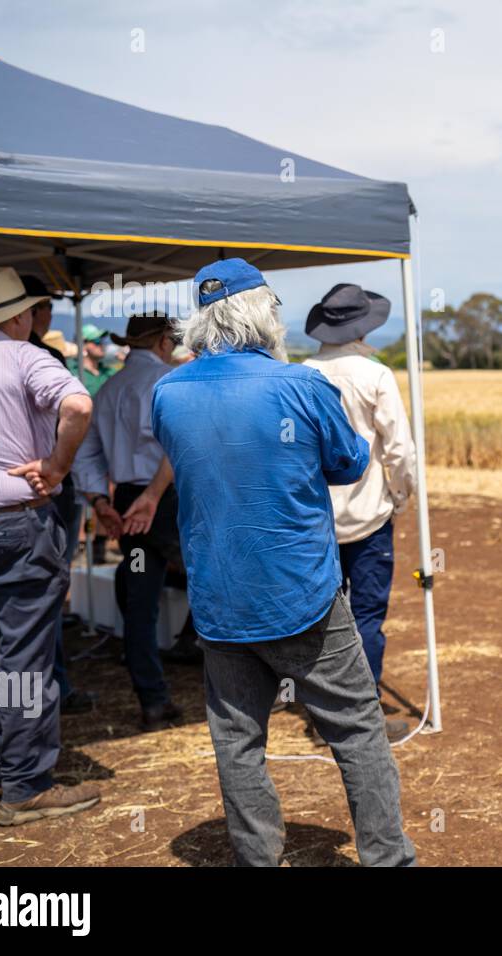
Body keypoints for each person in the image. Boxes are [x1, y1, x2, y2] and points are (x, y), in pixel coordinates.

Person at [151, 259, 415, 866]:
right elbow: (349, 464)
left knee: (238, 741)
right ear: (265, 315)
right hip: (303, 591)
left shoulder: (168, 391)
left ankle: (257, 859)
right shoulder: (298, 385)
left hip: (217, 596)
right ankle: (386, 857)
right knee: (356, 729)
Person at [0, 267, 102, 825]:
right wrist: (56, 467)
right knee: (25, 656)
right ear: (18, 315)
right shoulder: (24, 355)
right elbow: (79, 407)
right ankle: (26, 785)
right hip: (14, 521)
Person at [302, 284, 416, 743]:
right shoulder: (375, 375)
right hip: (370, 517)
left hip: (315, 519)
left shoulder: (301, 374)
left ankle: (324, 707)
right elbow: (400, 450)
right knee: (367, 614)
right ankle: (364, 711)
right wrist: (400, 497)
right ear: (363, 327)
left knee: (321, 615)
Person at [74, 312, 193, 731]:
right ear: (163, 341)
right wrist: (154, 495)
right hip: (167, 500)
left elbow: (85, 453)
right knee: (211, 578)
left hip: (126, 502)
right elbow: (182, 447)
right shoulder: (170, 384)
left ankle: (153, 699)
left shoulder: (107, 389)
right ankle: (222, 670)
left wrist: (97, 500)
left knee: (141, 592)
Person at [21, 274, 97, 716]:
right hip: (44, 488)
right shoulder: (44, 358)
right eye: (44, 307)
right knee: (46, 593)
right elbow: (76, 411)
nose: (48, 315)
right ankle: (54, 689)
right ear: (31, 313)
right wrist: (60, 467)